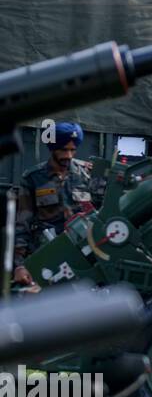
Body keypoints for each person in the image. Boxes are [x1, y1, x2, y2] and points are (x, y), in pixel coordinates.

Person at [13, 121, 97, 285]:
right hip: (46, 256)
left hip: (84, 255)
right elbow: (22, 225)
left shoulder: (88, 174)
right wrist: (19, 266)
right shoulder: (33, 178)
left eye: (73, 150)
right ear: (52, 148)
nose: (69, 156)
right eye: (63, 150)